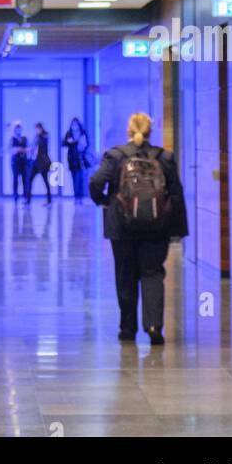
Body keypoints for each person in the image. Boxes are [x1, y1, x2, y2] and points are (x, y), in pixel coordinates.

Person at [89, 112, 187, 345]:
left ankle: (127, 328)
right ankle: (154, 327)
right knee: (153, 274)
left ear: (128, 130)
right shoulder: (164, 158)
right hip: (157, 227)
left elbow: (95, 182)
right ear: (150, 131)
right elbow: (176, 194)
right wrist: (177, 230)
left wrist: (104, 202)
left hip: (122, 228)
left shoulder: (115, 156)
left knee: (125, 276)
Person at [62, 117, 90, 202]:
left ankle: (79, 197)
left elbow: (87, 144)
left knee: (79, 178)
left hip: (81, 159)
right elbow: (63, 143)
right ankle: (76, 197)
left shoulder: (82, 133)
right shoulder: (69, 133)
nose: (74, 126)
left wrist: (79, 143)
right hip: (71, 158)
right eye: (73, 124)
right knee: (74, 178)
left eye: (76, 124)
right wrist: (69, 141)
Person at [26, 121, 52, 204]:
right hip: (35, 162)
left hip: (43, 163)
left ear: (41, 128)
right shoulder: (36, 137)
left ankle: (49, 199)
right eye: (36, 129)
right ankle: (28, 199)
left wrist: (36, 150)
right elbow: (33, 147)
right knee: (30, 179)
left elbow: (42, 149)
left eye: (38, 129)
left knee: (45, 180)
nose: (37, 130)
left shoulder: (44, 137)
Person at [10, 121, 29, 200]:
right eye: (17, 127)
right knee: (15, 178)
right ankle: (15, 195)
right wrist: (20, 149)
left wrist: (21, 150)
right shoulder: (12, 138)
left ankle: (25, 195)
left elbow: (28, 149)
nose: (18, 129)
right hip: (15, 161)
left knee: (25, 178)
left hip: (24, 161)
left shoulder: (24, 138)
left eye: (19, 127)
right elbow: (13, 150)